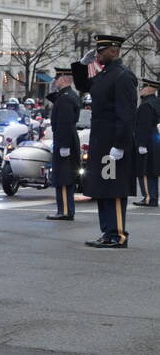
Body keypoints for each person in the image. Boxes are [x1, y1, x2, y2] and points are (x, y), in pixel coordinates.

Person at [72, 34, 138, 248]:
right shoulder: (105, 75)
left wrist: (119, 145)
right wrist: (83, 65)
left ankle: (118, 234)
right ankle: (107, 232)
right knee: (103, 188)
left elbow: (126, 114)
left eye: (101, 51)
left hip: (113, 143)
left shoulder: (122, 76)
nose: (98, 55)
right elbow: (84, 86)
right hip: (101, 141)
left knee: (115, 189)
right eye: (97, 52)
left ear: (114, 51)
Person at [46, 67, 81, 221]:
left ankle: (66, 210)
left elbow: (65, 123)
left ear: (65, 79)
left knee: (65, 176)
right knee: (62, 175)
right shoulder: (66, 95)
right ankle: (64, 209)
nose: (55, 81)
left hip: (65, 140)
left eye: (57, 78)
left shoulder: (66, 97)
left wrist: (65, 145)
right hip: (65, 139)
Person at [135, 77, 160, 207]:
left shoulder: (145, 105)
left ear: (149, 89)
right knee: (153, 170)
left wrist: (141, 144)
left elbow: (143, 126)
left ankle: (148, 197)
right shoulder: (156, 102)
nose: (141, 90)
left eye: (142, 87)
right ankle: (153, 196)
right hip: (154, 138)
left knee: (144, 170)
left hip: (146, 140)